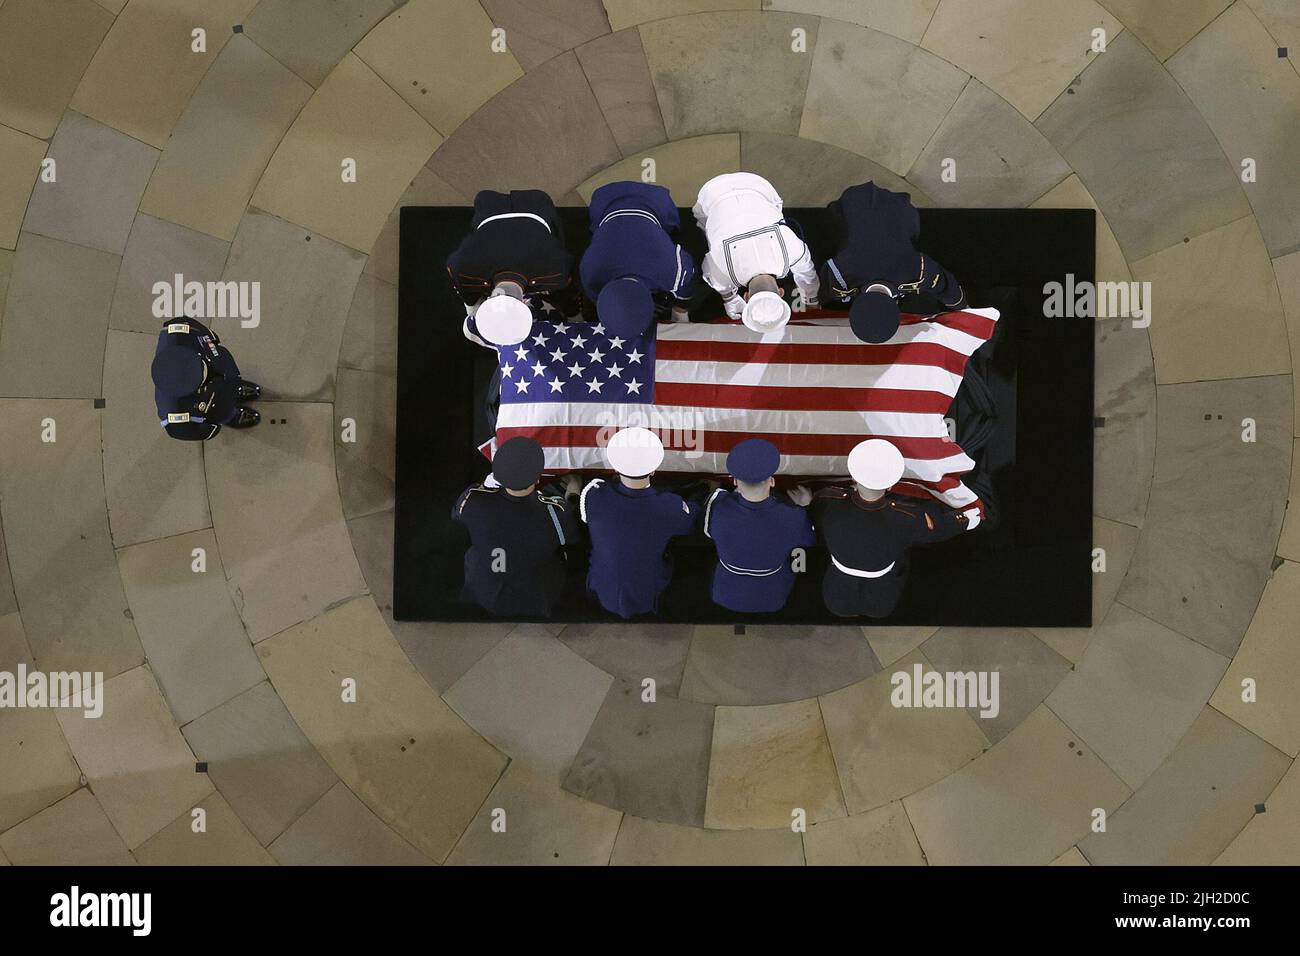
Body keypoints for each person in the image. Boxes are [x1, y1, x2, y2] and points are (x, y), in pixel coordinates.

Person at [813, 439, 980, 619]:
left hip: (837, 590)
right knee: (879, 611)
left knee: (839, 608)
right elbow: (937, 528)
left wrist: (808, 501)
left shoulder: (829, 500)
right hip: (881, 592)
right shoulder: (906, 516)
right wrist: (965, 520)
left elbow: (816, 511)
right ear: (891, 485)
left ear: (854, 477)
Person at [821, 182, 967, 343]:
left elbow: (945, 286)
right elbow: (945, 286)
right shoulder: (840, 272)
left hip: (896, 212)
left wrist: (962, 307)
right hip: (851, 206)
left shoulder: (916, 270)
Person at [452, 436, 580, 618]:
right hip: (537, 596)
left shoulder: (473, 500)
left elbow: (457, 515)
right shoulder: (555, 512)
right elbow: (572, 535)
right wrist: (573, 491)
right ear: (537, 479)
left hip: (483, 588)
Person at [579, 427, 699, 618]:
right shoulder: (671, 506)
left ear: (616, 469)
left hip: (602, 584)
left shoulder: (593, 495)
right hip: (648, 590)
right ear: (653, 470)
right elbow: (689, 523)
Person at [692, 172, 819, 333]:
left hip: (757, 185)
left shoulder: (792, 250)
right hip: (710, 193)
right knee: (710, 231)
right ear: (745, 297)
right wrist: (729, 298)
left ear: (781, 292)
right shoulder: (721, 275)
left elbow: (808, 275)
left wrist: (812, 302)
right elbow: (712, 273)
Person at [702, 438, 816, 613]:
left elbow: (707, 530)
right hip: (773, 596)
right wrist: (806, 506)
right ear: (772, 481)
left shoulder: (718, 506)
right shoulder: (794, 516)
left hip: (725, 592)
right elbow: (808, 541)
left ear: (734, 482)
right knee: (798, 555)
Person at [580, 181, 698, 337]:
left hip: (650, 201)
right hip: (605, 201)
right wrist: (680, 312)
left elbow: (687, 278)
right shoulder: (590, 273)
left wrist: (680, 310)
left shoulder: (672, 271)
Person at [446, 188, 578, 322]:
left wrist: (472, 307)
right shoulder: (462, 269)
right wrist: (472, 307)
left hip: (531, 208)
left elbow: (565, 281)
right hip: (508, 210)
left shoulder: (556, 268)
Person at [151, 314, 261, 440]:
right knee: (221, 410)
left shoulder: (176, 333)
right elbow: (204, 431)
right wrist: (214, 426)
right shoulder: (175, 414)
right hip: (210, 401)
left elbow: (201, 331)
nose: (211, 372)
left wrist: (211, 341)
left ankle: (236, 388)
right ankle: (232, 415)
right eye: (202, 376)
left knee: (230, 377)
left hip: (217, 361)